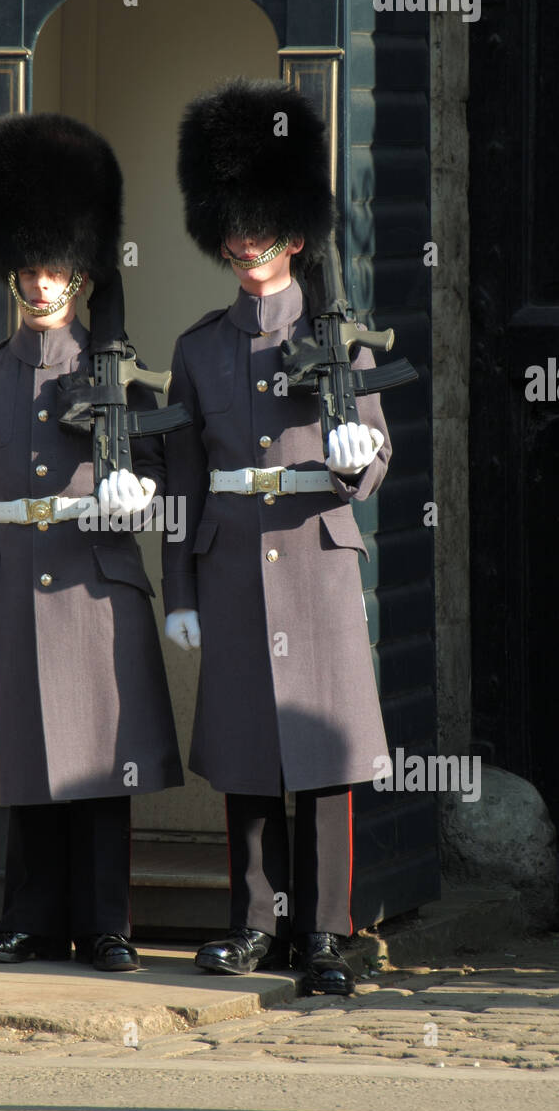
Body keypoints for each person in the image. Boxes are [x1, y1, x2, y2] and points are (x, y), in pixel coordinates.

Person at [163, 78, 392, 995]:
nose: (246, 241)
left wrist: (350, 454)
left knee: (323, 754)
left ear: (294, 235)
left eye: (263, 224)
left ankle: (325, 936)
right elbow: (182, 476)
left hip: (315, 556)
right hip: (229, 563)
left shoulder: (343, 340)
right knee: (247, 749)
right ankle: (253, 923)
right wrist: (178, 590)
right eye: (234, 225)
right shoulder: (197, 347)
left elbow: (375, 461)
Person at [0, 112, 183, 972]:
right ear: (15, 273)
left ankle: (108, 923)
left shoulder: (116, 369)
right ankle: (31, 918)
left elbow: (163, 469)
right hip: (16, 582)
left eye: (57, 270)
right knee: (30, 762)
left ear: (79, 277)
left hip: (95, 580)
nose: (43, 285)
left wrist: (140, 492)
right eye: (31, 270)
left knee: (103, 762)